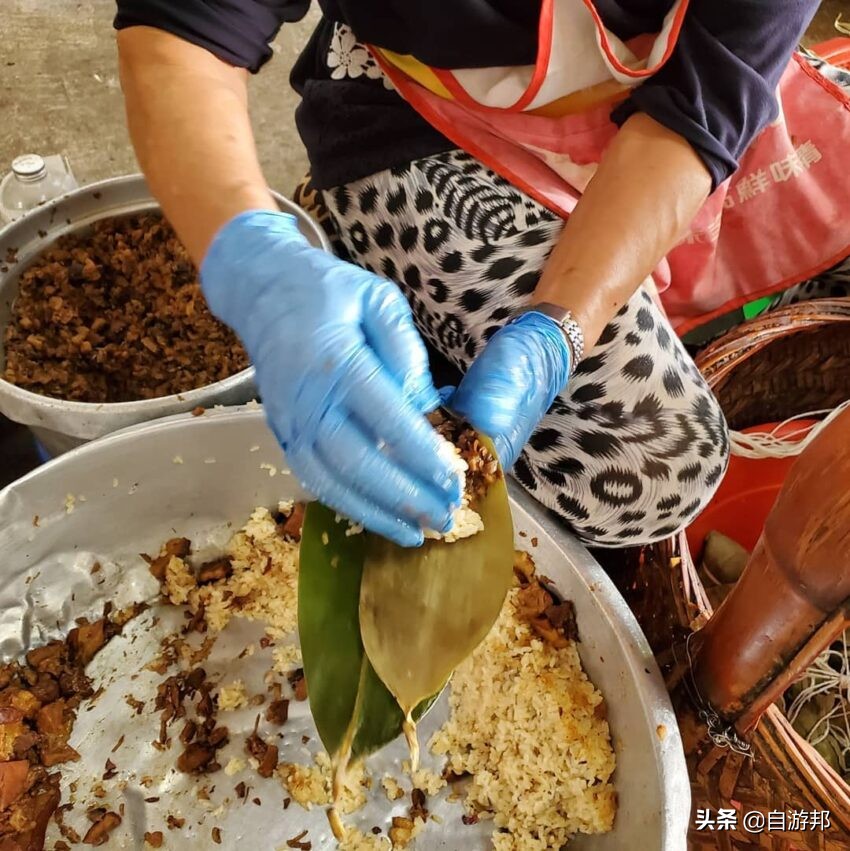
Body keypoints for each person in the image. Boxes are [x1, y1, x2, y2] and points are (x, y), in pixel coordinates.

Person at [113, 1, 850, 548]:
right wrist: (256, 260)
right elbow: (184, 29)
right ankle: (359, 236)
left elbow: (701, 111)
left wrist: (561, 325)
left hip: (644, 104)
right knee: (655, 463)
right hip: (416, 110)